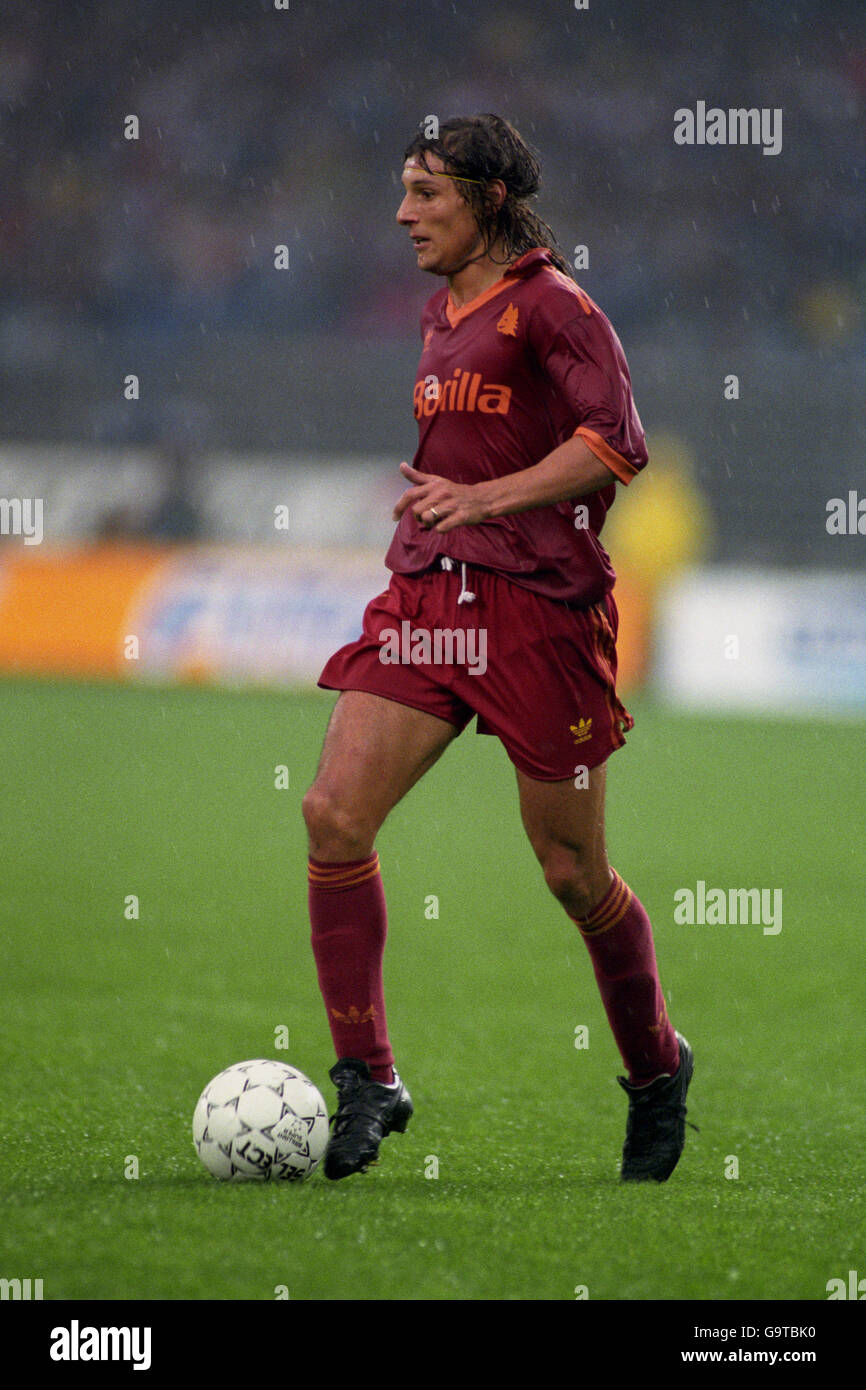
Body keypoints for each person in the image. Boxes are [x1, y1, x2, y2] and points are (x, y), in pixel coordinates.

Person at [303, 114, 694, 1183]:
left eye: (425, 193)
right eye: (400, 189)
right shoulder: (439, 317)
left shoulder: (555, 308)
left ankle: (655, 1069)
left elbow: (615, 445)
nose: (402, 213)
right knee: (333, 814)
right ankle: (367, 1077)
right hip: (430, 596)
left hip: (539, 617)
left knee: (570, 873)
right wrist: (447, 513)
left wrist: (481, 497)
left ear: (484, 199)